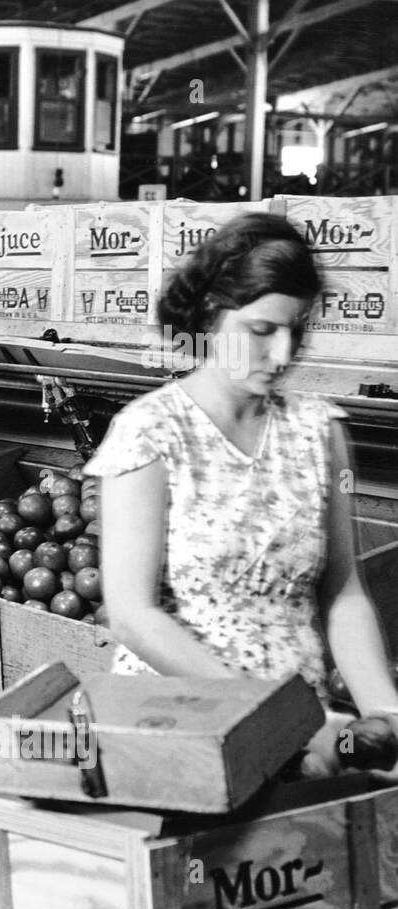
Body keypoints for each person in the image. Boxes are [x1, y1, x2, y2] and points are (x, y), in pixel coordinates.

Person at [86, 213, 398, 777]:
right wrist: (275, 717)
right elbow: (132, 615)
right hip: (181, 732)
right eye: (261, 331)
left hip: (306, 744)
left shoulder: (321, 432)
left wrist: (384, 715)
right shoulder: (151, 431)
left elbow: (342, 590)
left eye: (297, 329)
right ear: (210, 315)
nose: (282, 354)